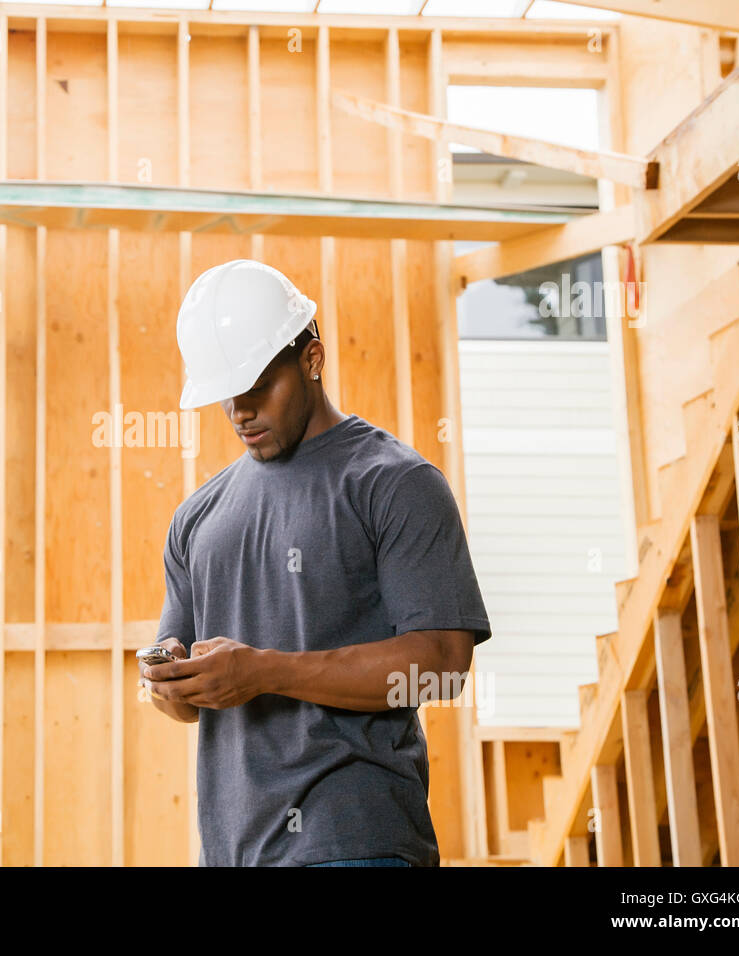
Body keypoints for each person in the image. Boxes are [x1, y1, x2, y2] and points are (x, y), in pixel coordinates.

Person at [139, 259, 492, 867]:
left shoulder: (394, 484)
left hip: (356, 844)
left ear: (312, 360)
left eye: (257, 386)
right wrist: (170, 682)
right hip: (229, 853)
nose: (240, 411)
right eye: (228, 393)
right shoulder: (197, 516)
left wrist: (264, 672)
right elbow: (182, 702)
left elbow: (442, 665)